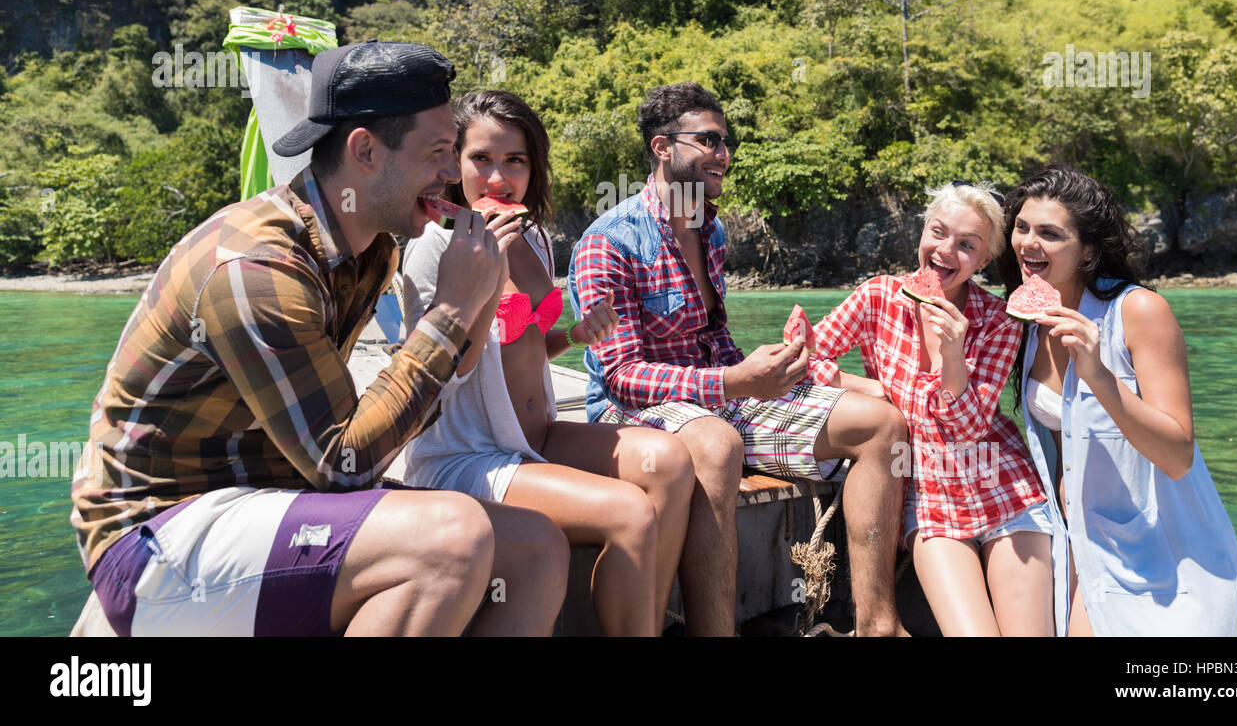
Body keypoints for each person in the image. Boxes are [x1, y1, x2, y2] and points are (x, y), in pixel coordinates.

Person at [70, 42, 570, 636]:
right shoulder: (256, 271)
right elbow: (345, 464)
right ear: (364, 149)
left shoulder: (369, 249)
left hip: (268, 494)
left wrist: (481, 286)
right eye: (439, 152)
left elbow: (369, 425)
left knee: (535, 544)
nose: (451, 173)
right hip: (157, 539)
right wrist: (451, 310)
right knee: (452, 538)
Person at [568, 81, 910, 637]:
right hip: (633, 416)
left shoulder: (711, 228)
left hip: (719, 395)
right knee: (716, 442)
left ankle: (879, 625)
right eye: (708, 140)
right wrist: (733, 381)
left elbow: (715, 342)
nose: (723, 154)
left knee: (880, 425)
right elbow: (622, 377)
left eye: (728, 142)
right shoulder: (609, 242)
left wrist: (771, 369)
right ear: (662, 147)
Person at [391, 90, 694, 636]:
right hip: (468, 456)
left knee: (670, 462)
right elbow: (440, 377)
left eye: (515, 161)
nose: (497, 178)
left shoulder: (532, 236)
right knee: (630, 512)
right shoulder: (434, 249)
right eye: (481, 158)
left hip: (537, 436)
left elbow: (523, 347)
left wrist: (574, 335)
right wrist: (485, 273)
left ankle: (644, 621)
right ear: (454, 164)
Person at [999, 163, 1237, 636]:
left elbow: (1178, 455)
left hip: (1165, 546)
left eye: (1050, 233)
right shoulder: (1031, 319)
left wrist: (1097, 374)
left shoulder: (1138, 310)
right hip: (1082, 539)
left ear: (1090, 250)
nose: (1028, 243)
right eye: (1021, 227)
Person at [805, 182, 1053, 636]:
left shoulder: (998, 321)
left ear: (982, 261)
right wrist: (869, 387)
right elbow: (802, 357)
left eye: (966, 246)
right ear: (922, 233)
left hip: (1005, 487)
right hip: (931, 496)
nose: (945, 251)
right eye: (938, 233)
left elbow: (970, 428)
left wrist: (954, 357)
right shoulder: (877, 297)